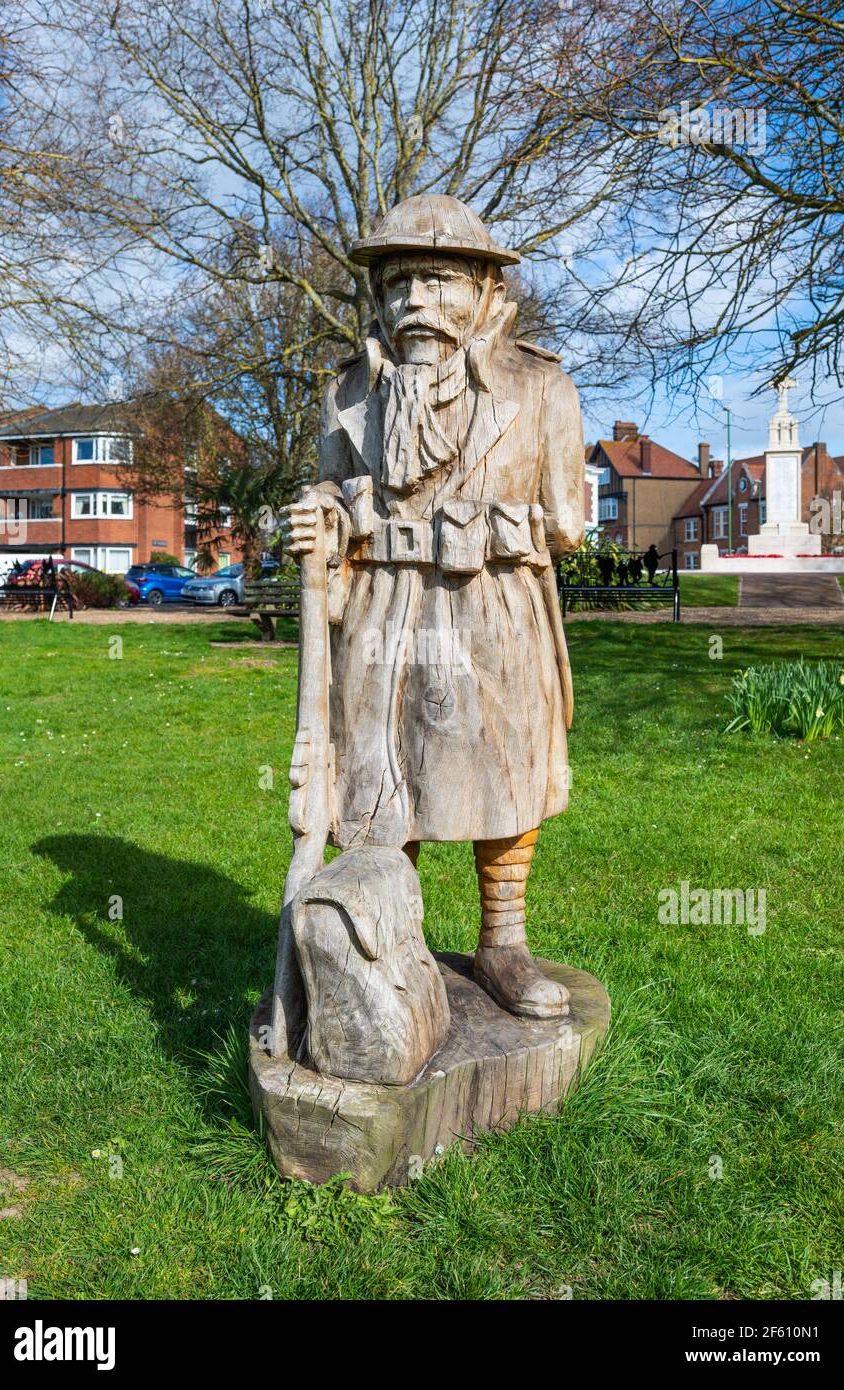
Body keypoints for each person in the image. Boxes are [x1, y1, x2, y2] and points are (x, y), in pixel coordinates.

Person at [283, 194, 585, 1019]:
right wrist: (322, 513)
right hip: (382, 609)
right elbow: (329, 486)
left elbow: (567, 523)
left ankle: (504, 942)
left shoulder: (542, 386)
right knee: (384, 780)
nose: (417, 300)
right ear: (376, 296)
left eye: (441, 280)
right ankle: (394, 947)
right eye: (400, 281)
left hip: (494, 607)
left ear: (487, 289)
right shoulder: (347, 392)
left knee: (506, 772)